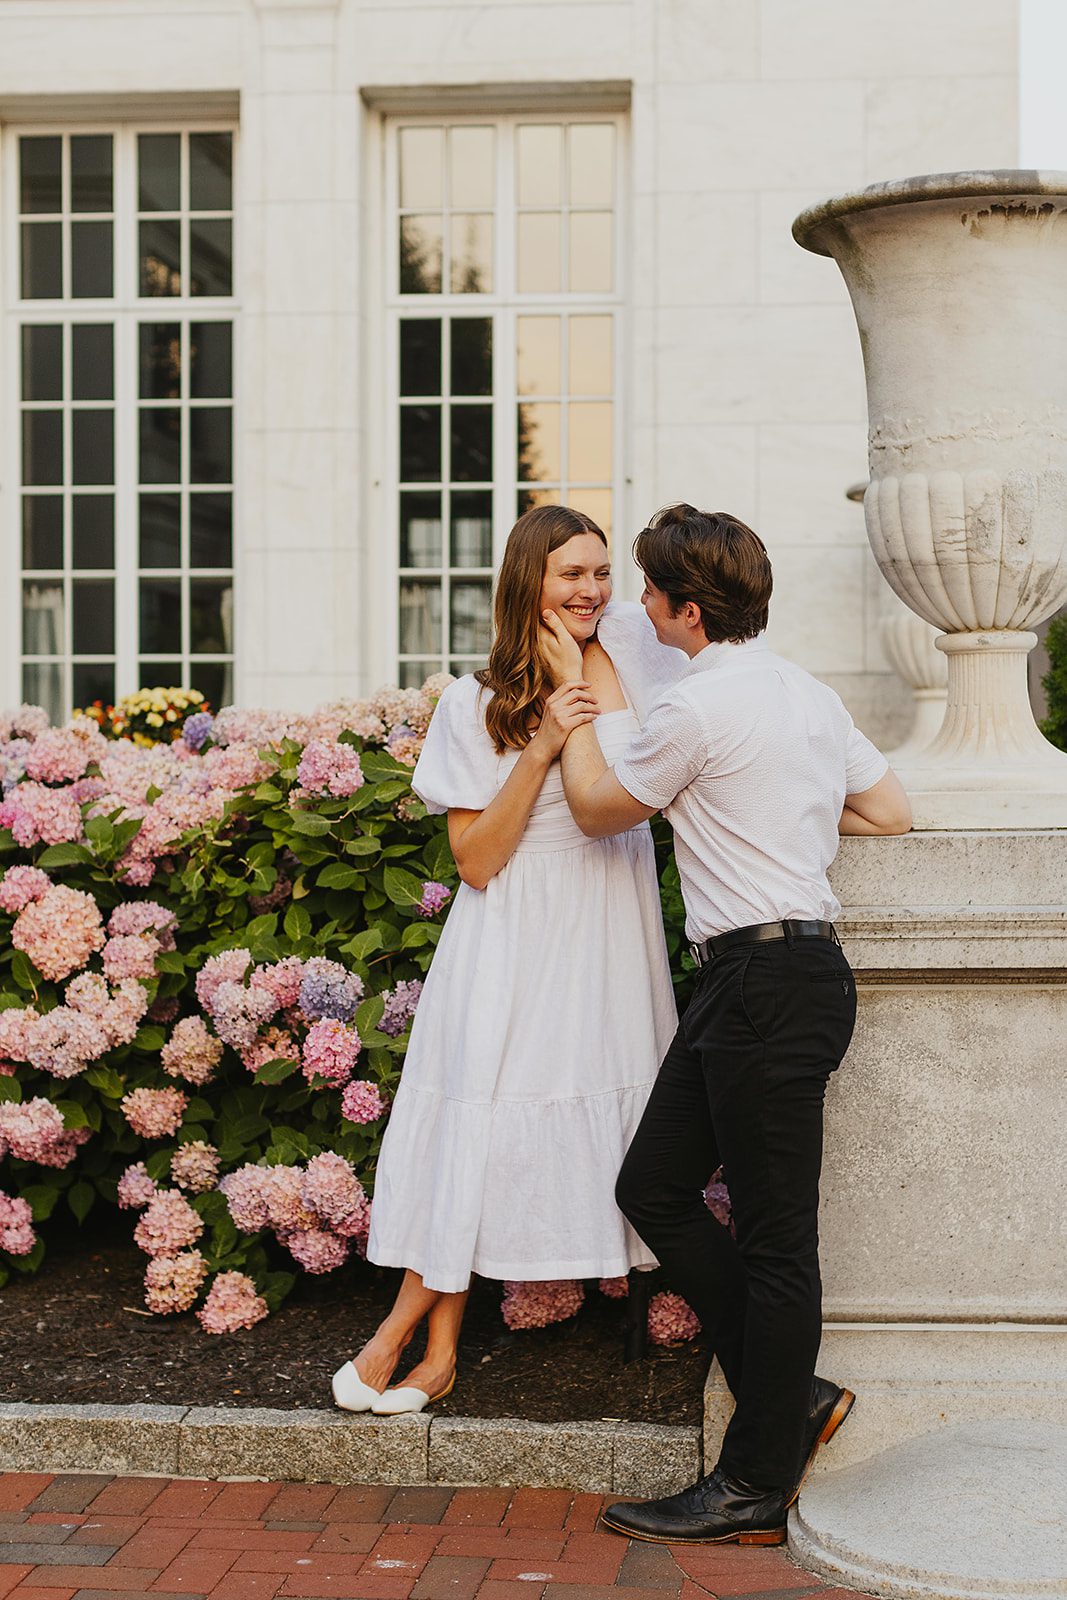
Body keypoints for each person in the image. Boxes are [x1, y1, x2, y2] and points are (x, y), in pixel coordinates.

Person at [541, 504, 912, 1544]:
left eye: (648, 592)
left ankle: (751, 1483)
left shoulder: (695, 710)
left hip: (766, 985)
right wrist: (777, 797)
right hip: (765, 981)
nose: (636, 604)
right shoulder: (802, 694)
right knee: (650, 1184)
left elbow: (599, 808)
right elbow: (888, 810)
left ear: (687, 610)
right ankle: (786, 1397)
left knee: (776, 1239)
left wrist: (574, 727)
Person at [331, 504, 684, 1416]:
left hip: (606, 930)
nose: (592, 590)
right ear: (527, 579)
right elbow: (477, 861)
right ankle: (422, 1340)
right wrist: (541, 744)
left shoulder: (642, 671)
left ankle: (415, 1340)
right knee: (480, 1125)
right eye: (572, 573)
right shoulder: (474, 699)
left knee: (536, 1128)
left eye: (601, 573)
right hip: (515, 934)